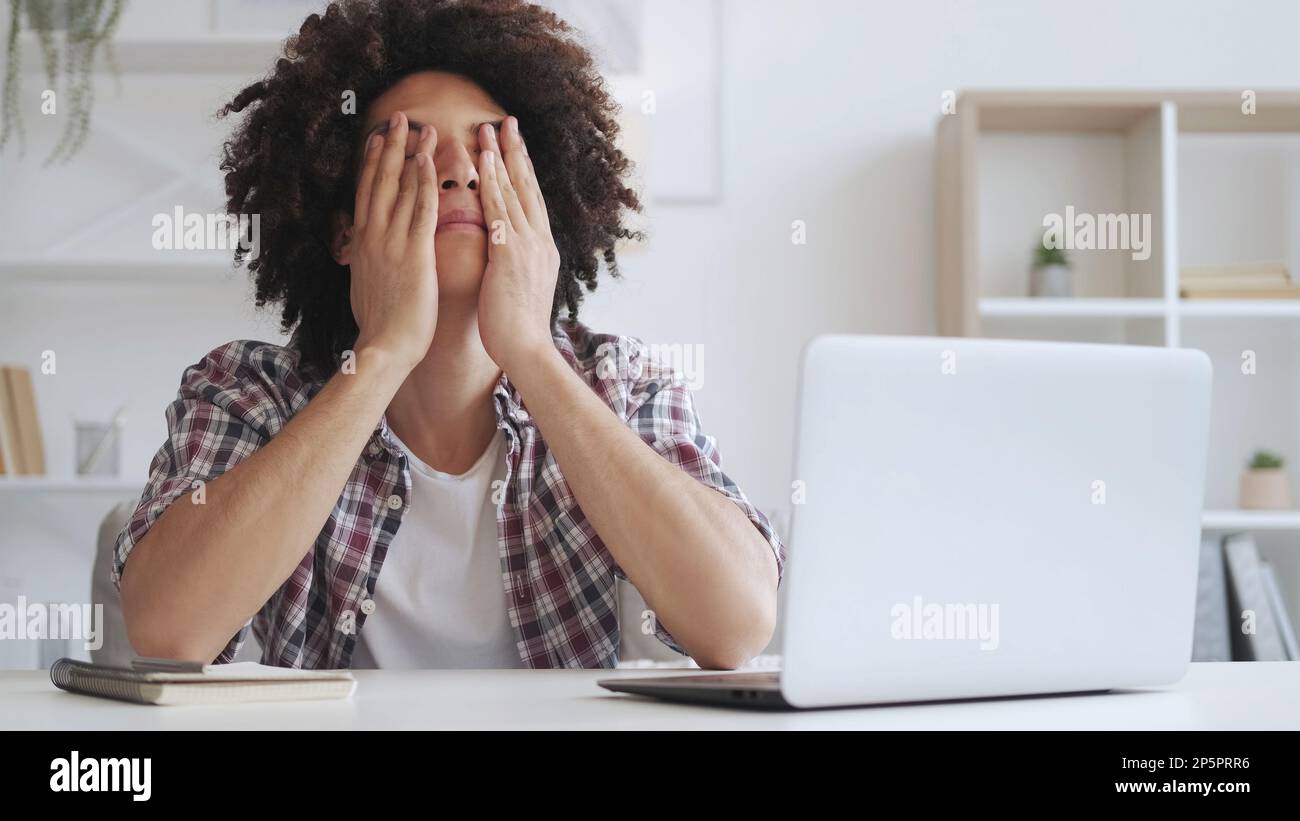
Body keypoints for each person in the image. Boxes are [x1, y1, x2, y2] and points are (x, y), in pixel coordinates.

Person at [114, 0, 785, 670]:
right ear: (343, 230)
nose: (459, 171)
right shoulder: (248, 391)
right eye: (412, 148)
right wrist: (381, 354)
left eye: (491, 148)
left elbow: (737, 621)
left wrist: (530, 351)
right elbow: (168, 629)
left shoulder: (622, 383)